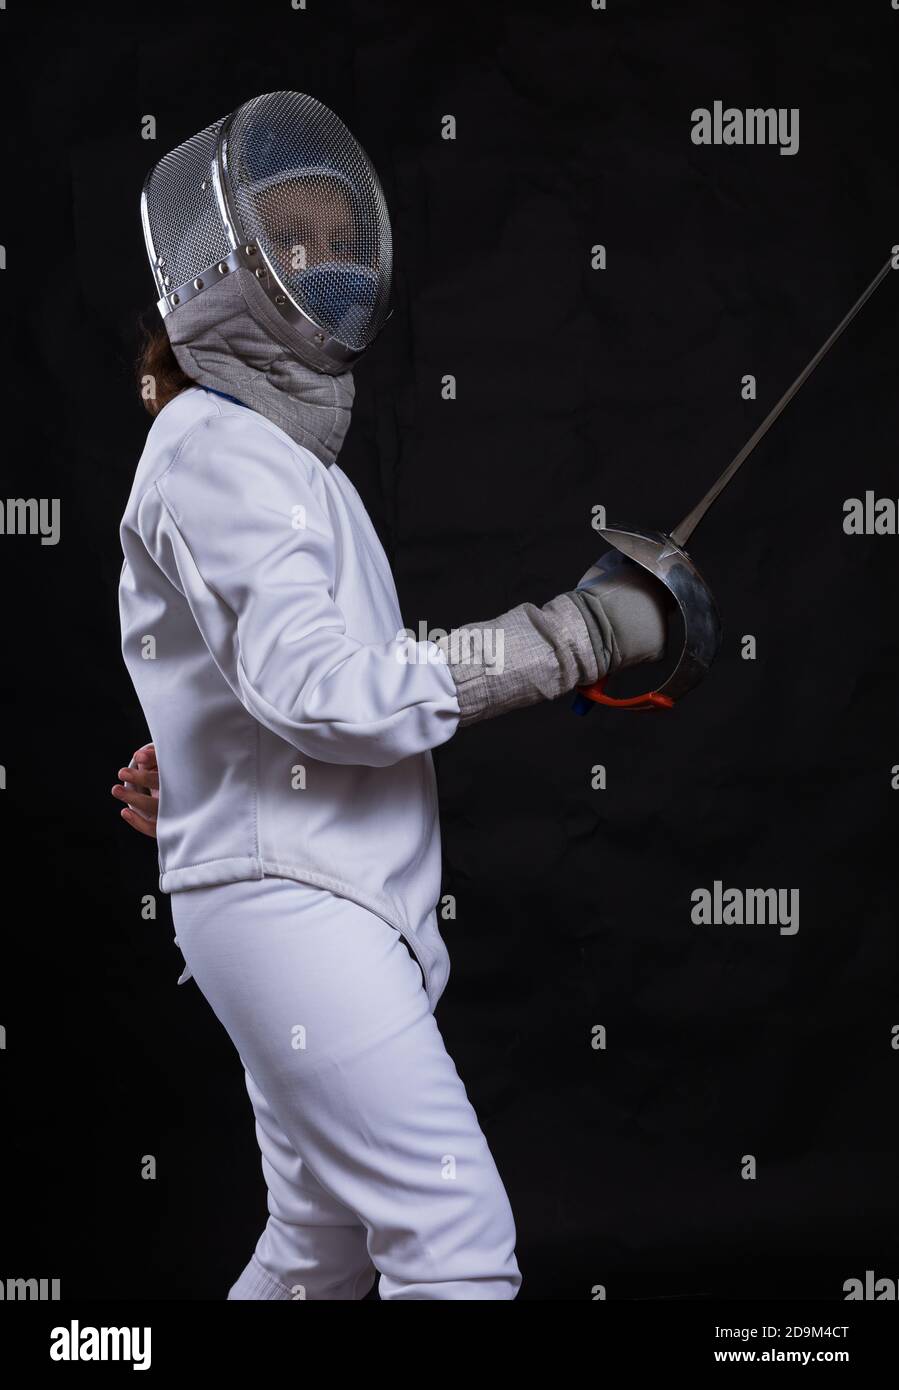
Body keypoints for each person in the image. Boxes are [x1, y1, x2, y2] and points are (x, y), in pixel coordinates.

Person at [115, 90, 673, 1301]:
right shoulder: (217, 445)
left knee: (315, 1246)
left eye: (338, 238)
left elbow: (262, 680)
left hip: (315, 891)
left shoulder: (282, 460)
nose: (326, 264)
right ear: (219, 267)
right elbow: (324, 693)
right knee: (451, 1240)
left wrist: (201, 769)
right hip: (292, 907)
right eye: (289, 240)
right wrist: (570, 638)